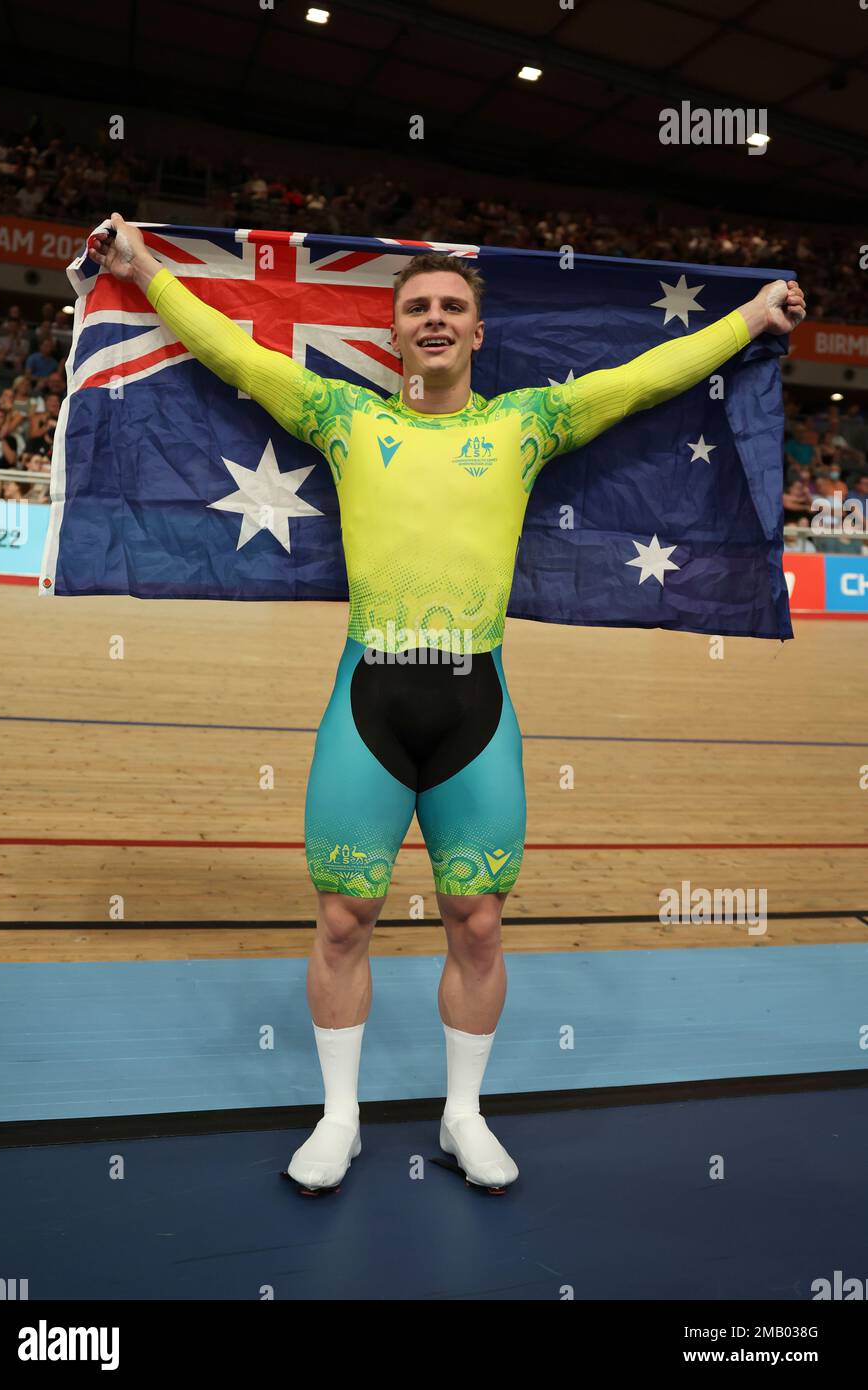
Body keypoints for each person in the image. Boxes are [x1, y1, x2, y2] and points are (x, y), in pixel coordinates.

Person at [90, 212, 806, 1193]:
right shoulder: (346, 418)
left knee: (477, 923)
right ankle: (338, 1118)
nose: (433, 320)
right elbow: (230, 352)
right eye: (417, 307)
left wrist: (753, 315)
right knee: (344, 917)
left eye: (451, 309)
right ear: (391, 334)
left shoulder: (527, 424)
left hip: (477, 703)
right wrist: (143, 270)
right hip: (368, 695)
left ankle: (463, 1115)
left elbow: (648, 378)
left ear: (477, 333)